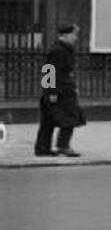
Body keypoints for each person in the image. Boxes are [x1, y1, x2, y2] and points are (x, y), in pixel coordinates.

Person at [34, 23, 86, 158]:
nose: (76, 38)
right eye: (74, 34)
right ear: (65, 35)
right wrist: (50, 92)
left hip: (64, 90)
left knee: (50, 120)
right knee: (69, 118)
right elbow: (48, 71)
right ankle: (63, 146)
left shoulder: (65, 49)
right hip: (59, 92)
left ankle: (43, 148)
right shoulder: (58, 50)